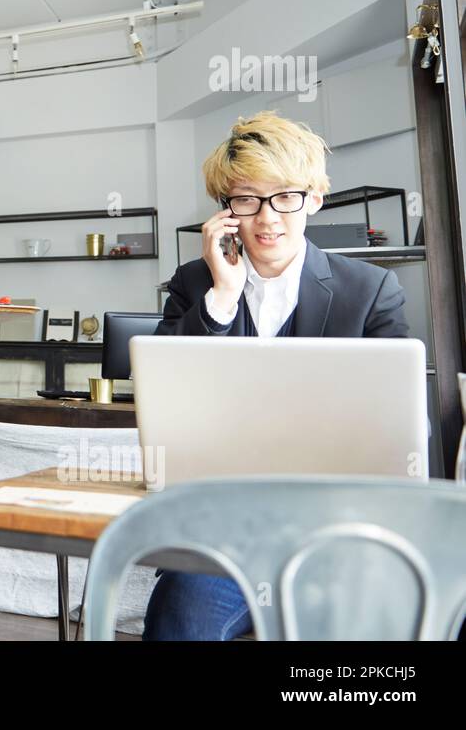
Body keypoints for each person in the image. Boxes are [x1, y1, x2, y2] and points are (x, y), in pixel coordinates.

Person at [144, 111, 409, 641]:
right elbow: (166, 397)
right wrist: (221, 297)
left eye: (284, 196)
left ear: (313, 198)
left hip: (339, 528)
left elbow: (400, 425)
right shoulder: (193, 284)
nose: (267, 218)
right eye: (246, 199)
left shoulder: (371, 290)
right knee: (179, 623)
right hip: (226, 532)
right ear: (226, 210)